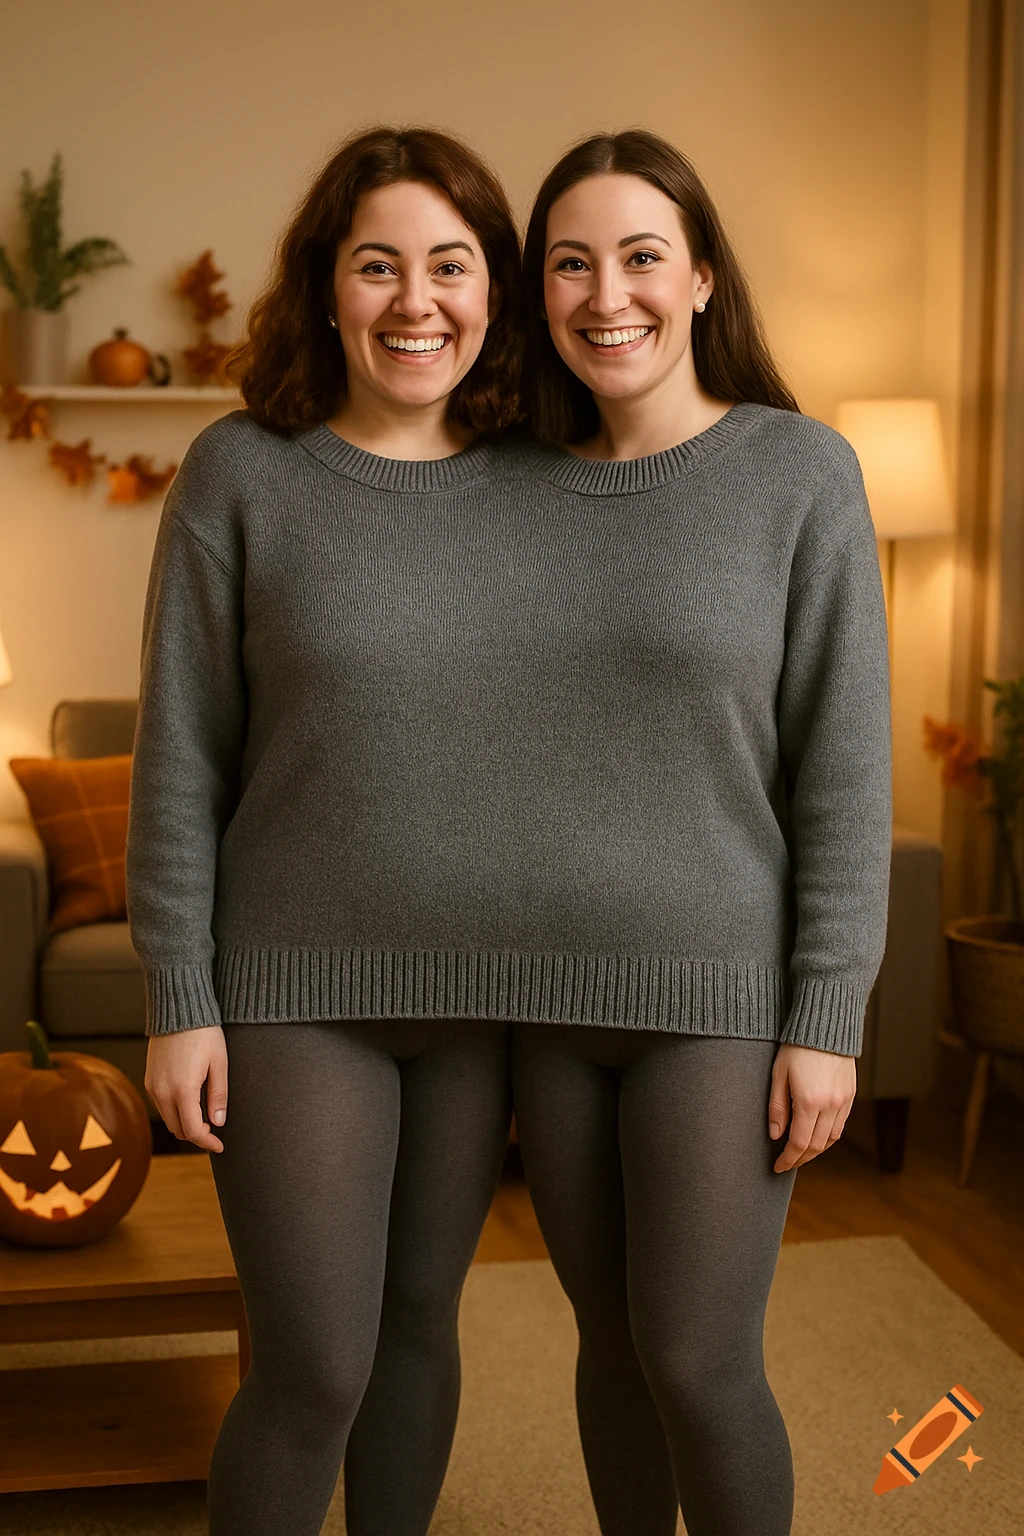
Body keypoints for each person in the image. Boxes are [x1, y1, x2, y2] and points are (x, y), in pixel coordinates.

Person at [124, 126, 524, 1536]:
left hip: (483, 993)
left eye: (451, 265)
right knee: (314, 1363)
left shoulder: (542, 477)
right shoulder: (242, 474)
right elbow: (178, 756)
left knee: (423, 1326)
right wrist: (180, 1000)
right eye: (378, 265)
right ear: (327, 284)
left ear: (496, 289)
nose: (416, 302)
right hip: (292, 994)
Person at [507, 129, 892, 1536]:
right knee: (608, 1349)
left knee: (698, 1357)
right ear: (536, 293)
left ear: (704, 276)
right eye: (569, 262)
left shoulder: (803, 473)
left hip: (722, 1005)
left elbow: (845, 769)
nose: (607, 292)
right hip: (543, 1000)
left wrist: (828, 1014)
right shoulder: (506, 485)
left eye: (642, 254)